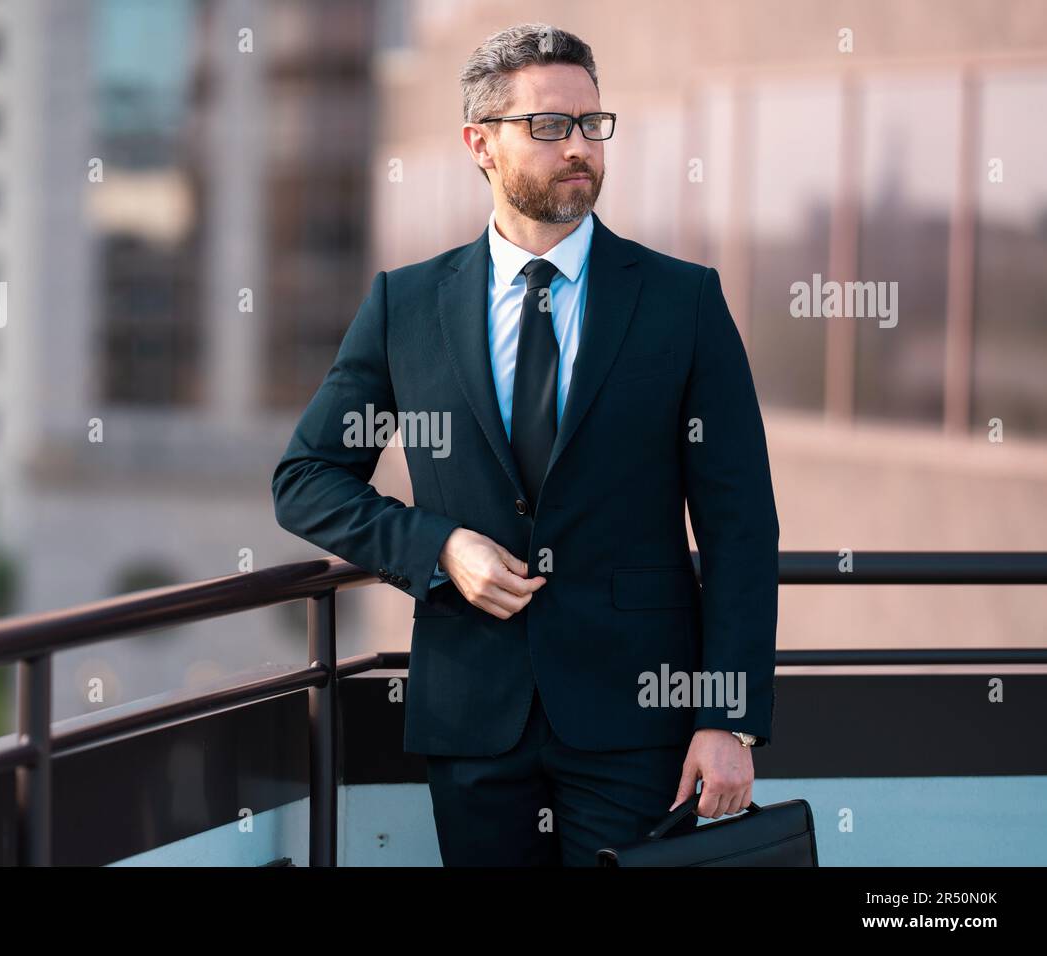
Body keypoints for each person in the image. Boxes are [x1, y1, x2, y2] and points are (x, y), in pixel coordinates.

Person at [272, 22, 779, 867]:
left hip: (638, 723)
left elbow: (740, 528)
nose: (579, 146)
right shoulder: (406, 305)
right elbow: (307, 478)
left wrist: (728, 718)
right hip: (474, 719)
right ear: (480, 144)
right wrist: (439, 548)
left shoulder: (682, 303)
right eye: (549, 127)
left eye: (591, 124)